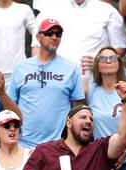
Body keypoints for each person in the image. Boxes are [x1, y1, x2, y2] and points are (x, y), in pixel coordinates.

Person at [8, 19, 85, 148]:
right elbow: (10, 105)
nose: (54, 37)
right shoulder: (21, 67)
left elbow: (78, 108)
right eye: (49, 33)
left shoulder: (71, 68)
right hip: (24, 143)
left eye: (58, 34)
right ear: (38, 37)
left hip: (59, 144)